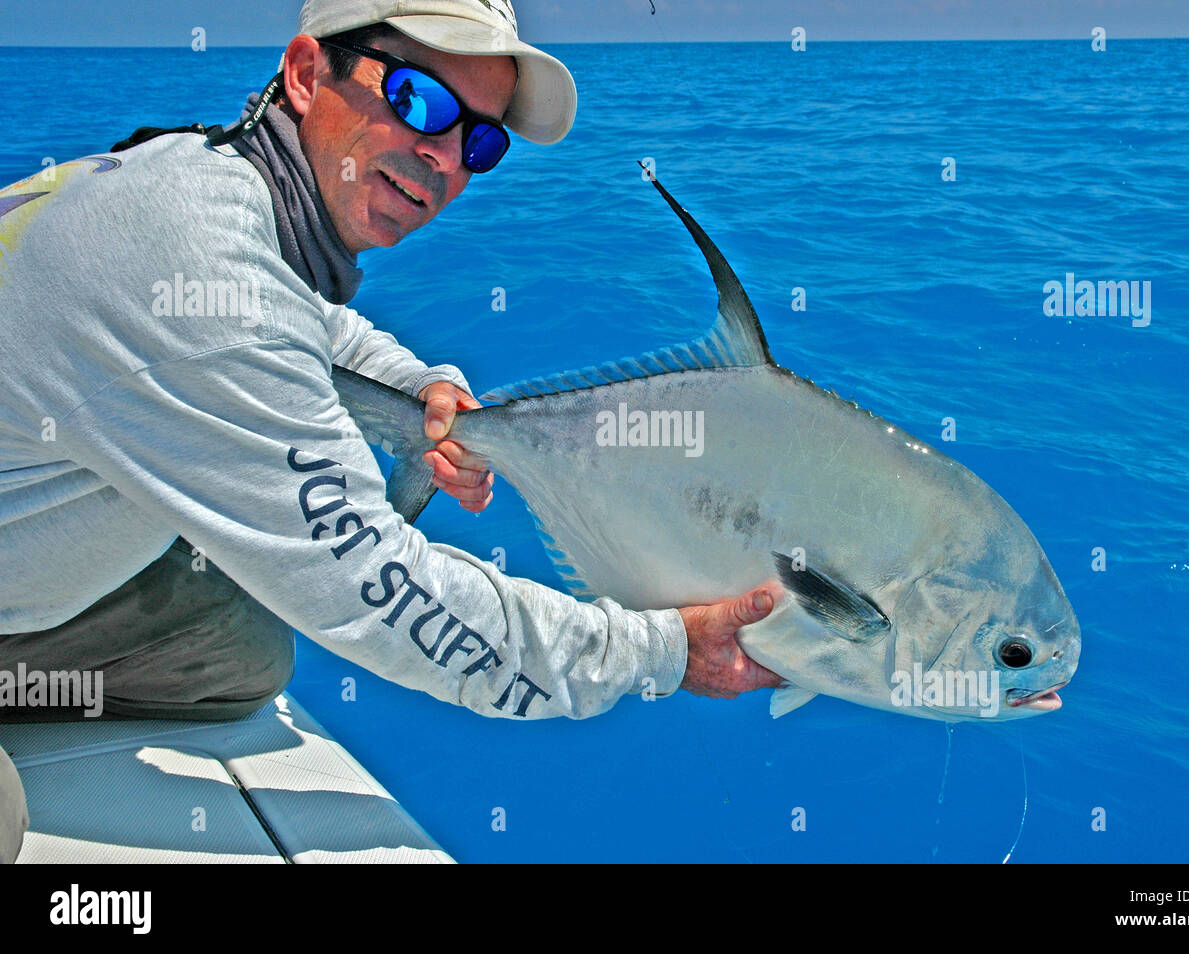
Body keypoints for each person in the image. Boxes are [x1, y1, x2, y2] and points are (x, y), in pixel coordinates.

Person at [0, 1, 782, 862]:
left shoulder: (194, 176)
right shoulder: (191, 269)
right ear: (306, 74)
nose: (445, 158)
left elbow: (307, 323)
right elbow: (384, 591)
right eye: (419, 99)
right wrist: (663, 649)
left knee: (234, 651)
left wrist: (423, 387)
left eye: (480, 143)